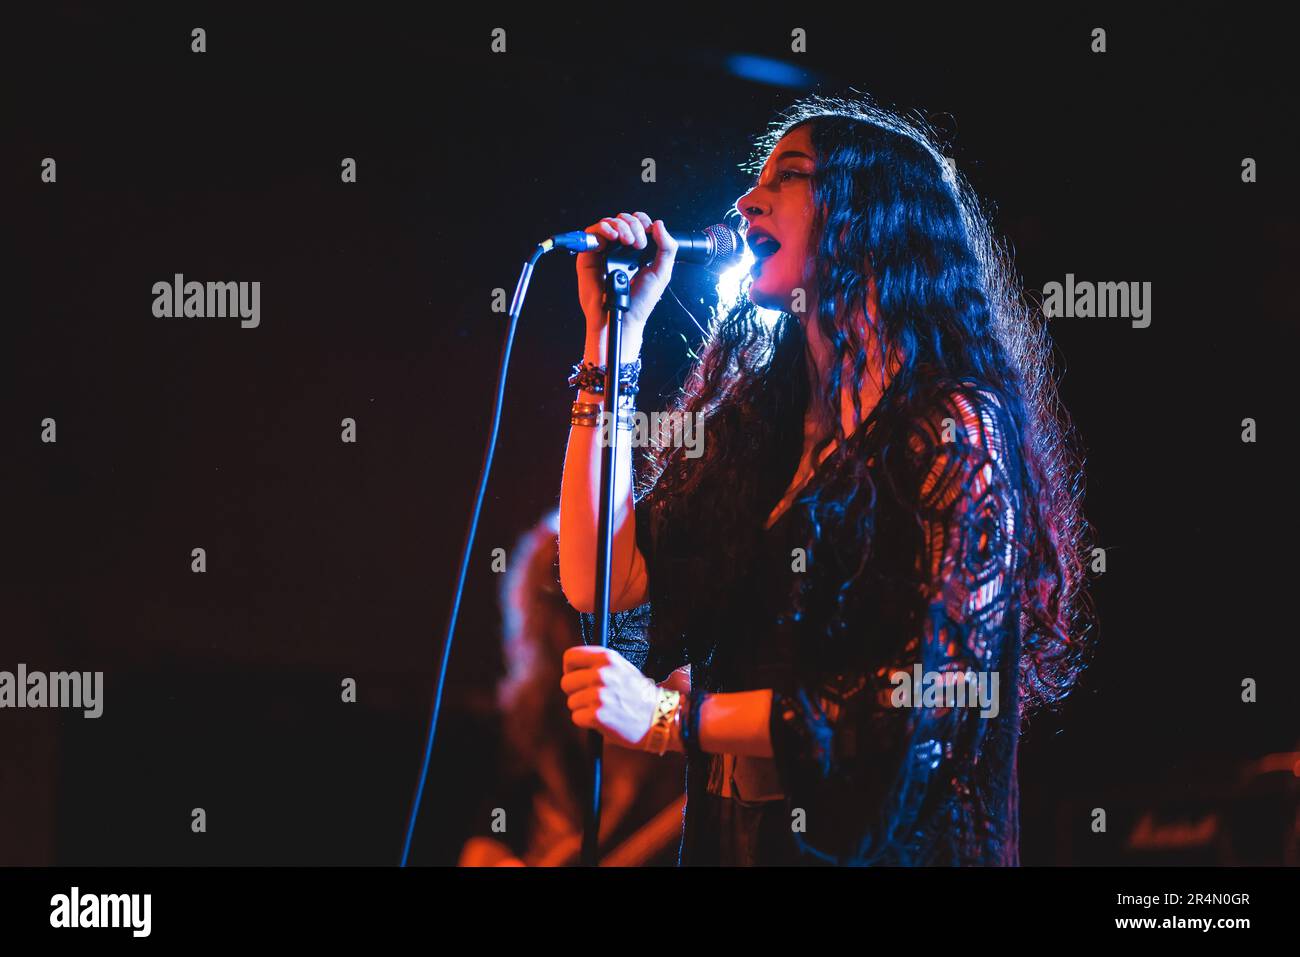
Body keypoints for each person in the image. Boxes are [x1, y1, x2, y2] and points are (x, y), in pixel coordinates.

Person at [556, 93, 1093, 865]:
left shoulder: (953, 430)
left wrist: (679, 716)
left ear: (871, 222)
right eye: (757, 178)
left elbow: (923, 697)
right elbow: (599, 578)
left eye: (790, 174)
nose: (746, 199)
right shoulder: (765, 428)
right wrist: (613, 342)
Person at [458, 511, 686, 867]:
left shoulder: (669, 699)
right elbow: (490, 832)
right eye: (562, 605)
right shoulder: (535, 710)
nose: (573, 626)